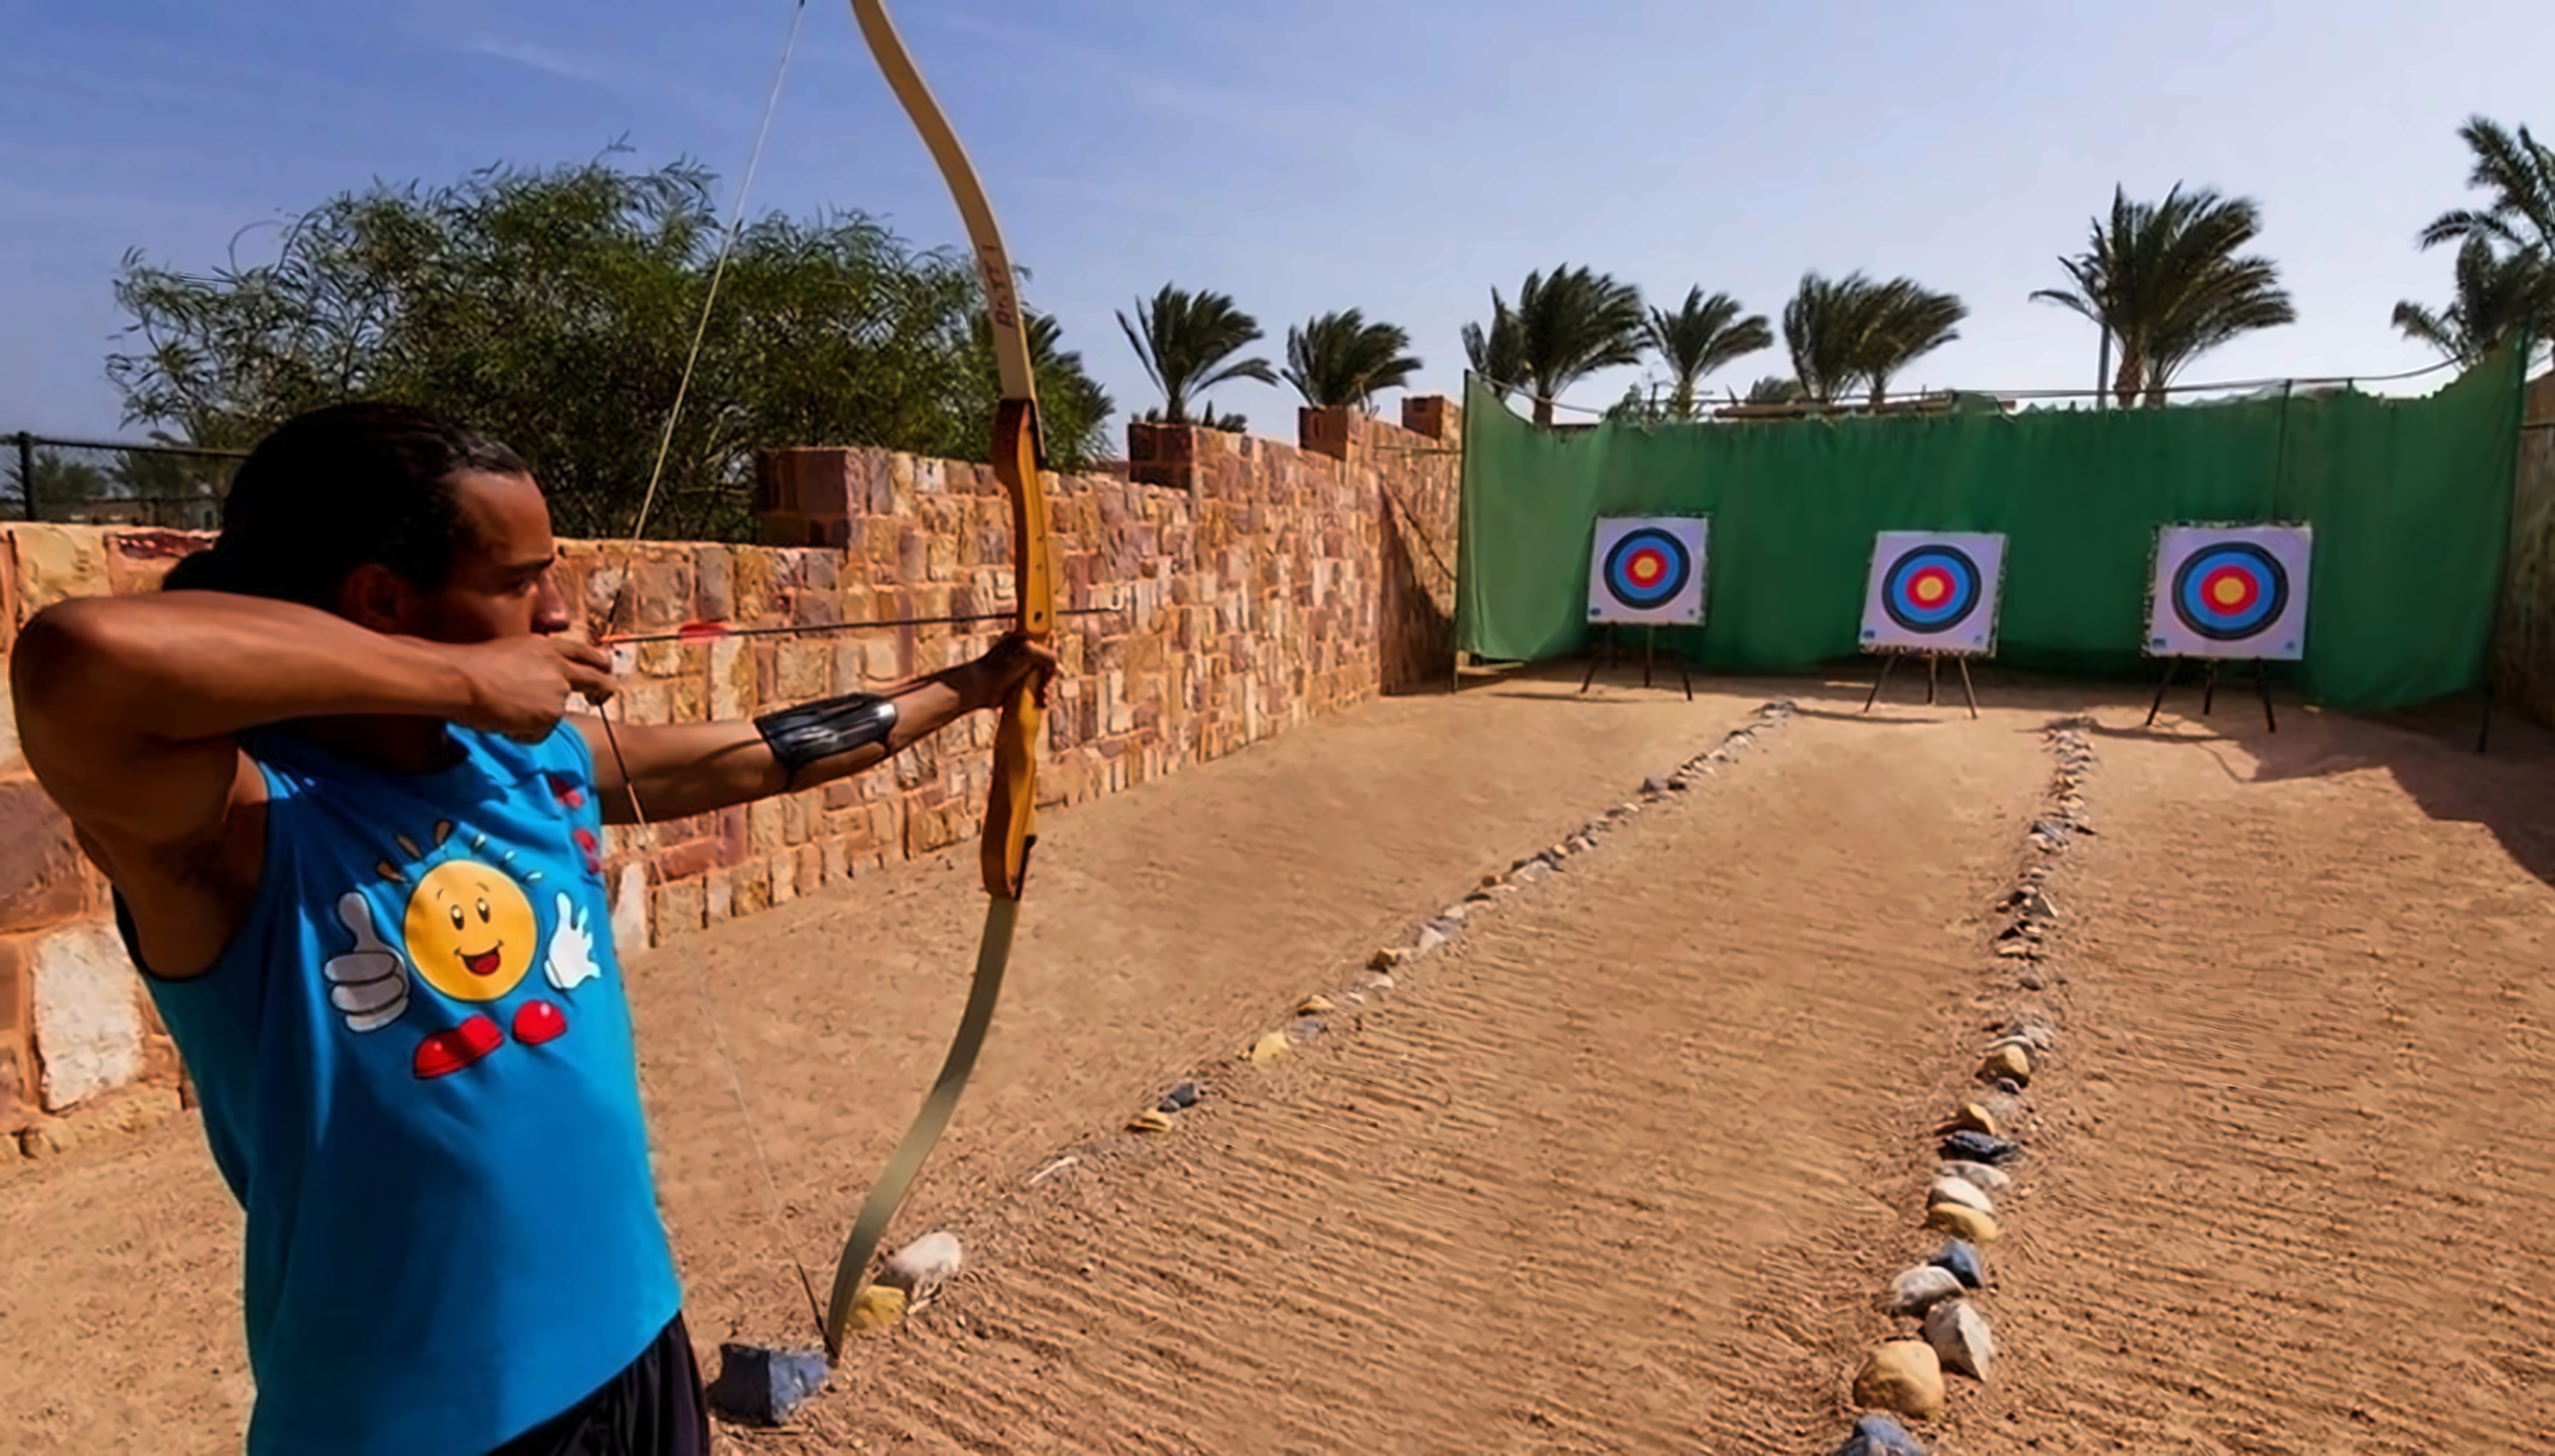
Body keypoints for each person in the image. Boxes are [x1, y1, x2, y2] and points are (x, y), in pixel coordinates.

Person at [6, 401, 1056, 1456]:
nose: (558, 612)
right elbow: (75, 656)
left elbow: (762, 751)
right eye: (520, 583)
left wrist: (973, 688)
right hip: (417, 1424)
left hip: (635, 1343)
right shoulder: (241, 821)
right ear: (382, 599)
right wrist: (465, 678)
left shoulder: (528, 760)